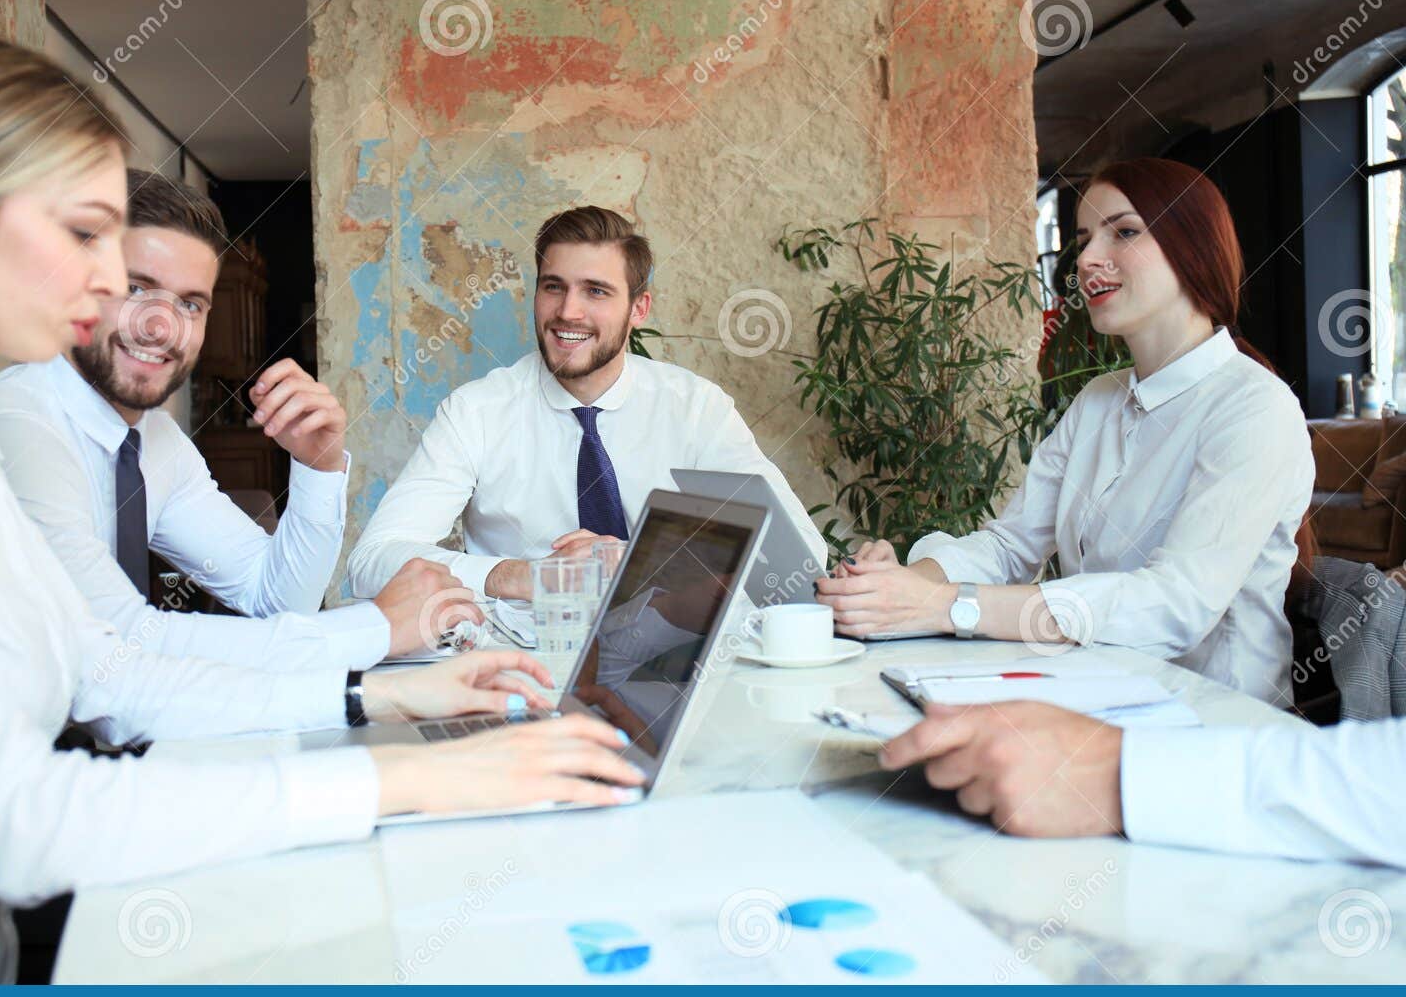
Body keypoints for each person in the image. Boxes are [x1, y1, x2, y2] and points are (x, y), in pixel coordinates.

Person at [0, 37, 643, 985]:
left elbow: (107, 667)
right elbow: (14, 816)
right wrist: (409, 778)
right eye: (85, 235)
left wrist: (395, 692)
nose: (108, 284)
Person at [815, 159, 1315, 706]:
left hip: (1219, 730)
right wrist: (908, 585)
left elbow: (1174, 605)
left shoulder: (1254, 408)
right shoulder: (1098, 400)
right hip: (1094, 697)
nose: (1088, 259)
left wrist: (945, 605)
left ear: (1192, 248)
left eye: (1123, 232)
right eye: (1083, 238)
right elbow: (1011, 544)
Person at [0, 170, 474, 672]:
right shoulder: (18, 424)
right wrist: (376, 627)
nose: (161, 326)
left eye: (189, 304)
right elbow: (116, 641)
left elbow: (274, 597)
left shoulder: (155, 443)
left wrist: (318, 466)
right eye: (135, 287)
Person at [348, 205, 826, 601]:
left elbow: (800, 556)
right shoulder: (476, 413)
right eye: (553, 286)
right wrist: (522, 575)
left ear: (639, 309)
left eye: (595, 291)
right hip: (523, 662)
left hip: (667, 662)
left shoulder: (695, 409)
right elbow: (372, 561)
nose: (567, 312)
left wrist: (641, 561)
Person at [878, 701, 1406, 869]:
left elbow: (1182, 595)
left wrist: (1113, 770)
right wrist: (921, 583)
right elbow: (1013, 537)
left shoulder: (1255, 433)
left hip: (1219, 708)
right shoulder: (1083, 432)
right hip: (1082, 693)